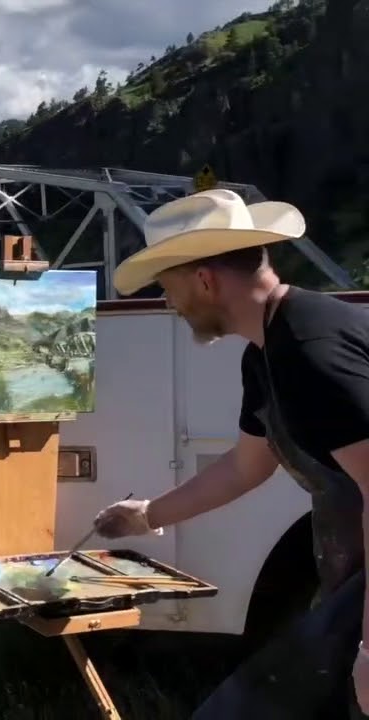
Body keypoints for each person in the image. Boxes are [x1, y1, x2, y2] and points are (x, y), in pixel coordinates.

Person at [94, 187, 369, 718]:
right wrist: (149, 515)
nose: (168, 304)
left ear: (204, 279)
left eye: (167, 287)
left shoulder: (311, 352)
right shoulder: (268, 351)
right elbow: (246, 467)